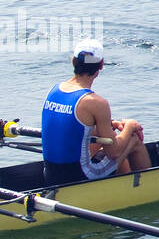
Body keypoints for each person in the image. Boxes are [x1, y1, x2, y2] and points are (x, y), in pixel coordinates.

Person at [41, 38, 149, 184]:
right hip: (80, 176)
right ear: (101, 65)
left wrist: (110, 124)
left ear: (74, 61)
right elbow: (114, 152)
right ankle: (145, 187)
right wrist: (130, 126)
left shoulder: (53, 90)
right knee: (133, 139)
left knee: (104, 134)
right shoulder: (96, 102)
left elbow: (74, 124)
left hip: (50, 174)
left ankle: (121, 184)